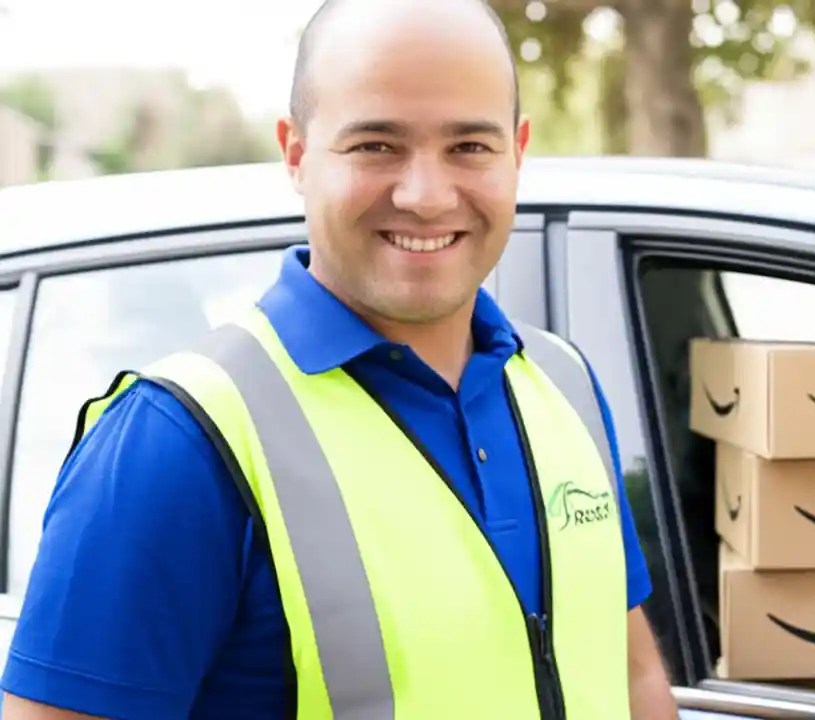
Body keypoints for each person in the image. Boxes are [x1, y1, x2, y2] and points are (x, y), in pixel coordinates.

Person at [0, 0, 678, 717]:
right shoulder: (178, 442)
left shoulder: (561, 386)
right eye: (376, 146)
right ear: (296, 154)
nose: (425, 195)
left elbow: (631, 678)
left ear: (518, 149)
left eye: (469, 147)